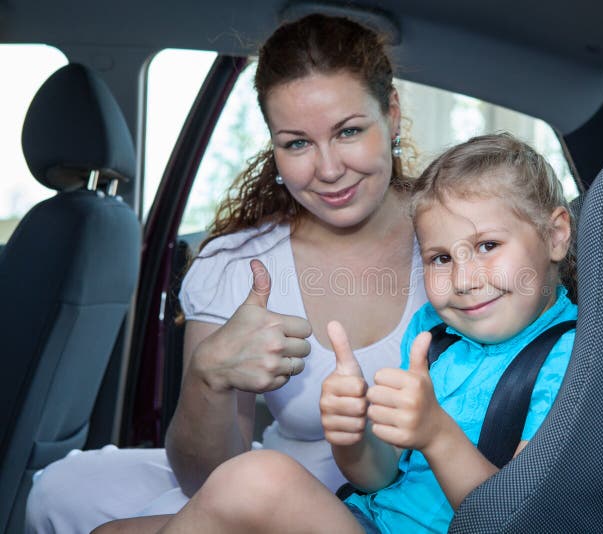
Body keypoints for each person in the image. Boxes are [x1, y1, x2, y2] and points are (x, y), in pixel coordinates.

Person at [25, 13, 428, 534]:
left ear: (391, 115)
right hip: (262, 488)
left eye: (349, 131)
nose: (327, 170)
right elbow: (208, 478)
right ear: (274, 145)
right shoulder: (239, 264)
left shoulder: (461, 235)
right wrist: (208, 378)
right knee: (57, 492)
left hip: (404, 507)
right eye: (297, 143)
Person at [96, 132, 578, 533]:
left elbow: (519, 522)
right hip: (367, 519)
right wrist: (353, 437)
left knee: (259, 480)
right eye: (441, 258)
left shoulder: (573, 361)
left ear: (556, 235)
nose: (465, 278)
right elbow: (377, 477)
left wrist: (436, 435)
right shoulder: (434, 335)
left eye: (488, 245)